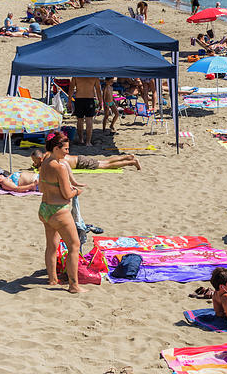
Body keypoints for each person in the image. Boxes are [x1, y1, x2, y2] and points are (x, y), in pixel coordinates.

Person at [37, 132, 87, 293]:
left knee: (51, 245)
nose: (67, 152)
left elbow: (41, 187)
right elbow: (66, 194)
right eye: (65, 149)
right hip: (58, 211)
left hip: (45, 208)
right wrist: (76, 192)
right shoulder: (59, 167)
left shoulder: (44, 163)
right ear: (56, 148)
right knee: (74, 245)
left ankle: (52, 279)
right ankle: (74, 285)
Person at [31, 149, 141, 171]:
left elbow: (42, 169)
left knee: (105, 165)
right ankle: (128, 157)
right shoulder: (49, 153)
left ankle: (131, 162)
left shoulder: (47, 160)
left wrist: (38, 166)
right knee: (105, 161)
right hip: (79, 158)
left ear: (40, 158)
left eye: (35, 161)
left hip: (81, 162)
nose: (34, 163)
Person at [69, 76, 103, 146]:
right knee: (89, 120)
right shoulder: (94, 76)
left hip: (79, 99)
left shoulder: (76, 76)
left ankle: (81, 140)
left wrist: (69, 101)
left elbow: (71, 89)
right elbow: (98, 90)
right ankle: (88, 142)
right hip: (89, 100)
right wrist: (100, 101)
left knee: (80, 120)